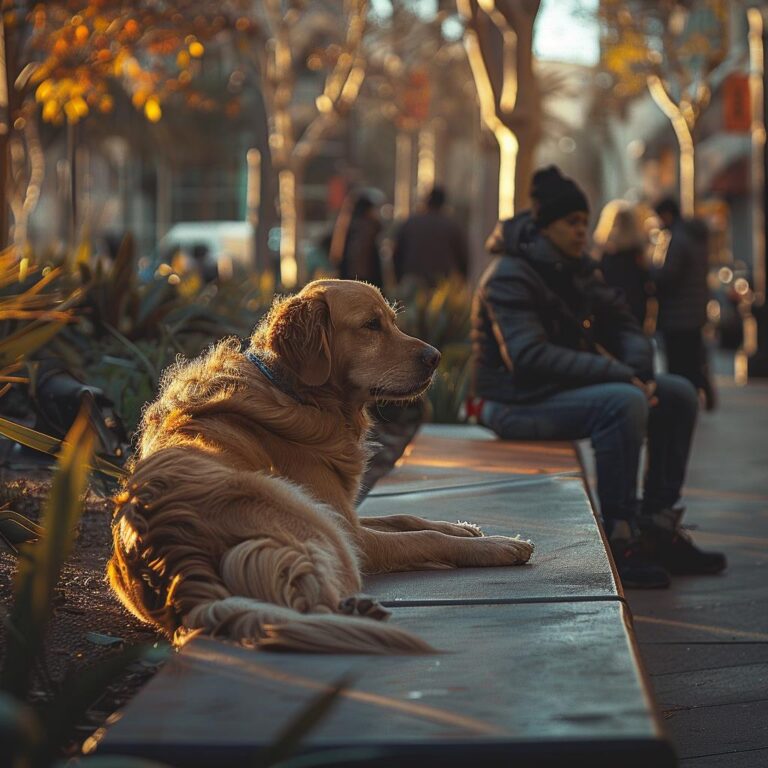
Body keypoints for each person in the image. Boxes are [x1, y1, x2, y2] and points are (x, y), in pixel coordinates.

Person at [470, 166, 726, 588]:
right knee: (622, 402)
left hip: (558, 392)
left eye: (585, 224)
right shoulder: (509, 275)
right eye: (572, 223)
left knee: (678, 393)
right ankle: (621, 536)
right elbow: (528, 357)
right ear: (546, 226)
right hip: (513, 403)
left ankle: (658, 529)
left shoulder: (579, 270)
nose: (581, 232)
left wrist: (639, 372)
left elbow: (625, 326)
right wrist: (625, 379)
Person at [652, 197, 716, 411]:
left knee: (680, 364)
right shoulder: (695, 238)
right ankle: (703, 392)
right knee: (693, 359)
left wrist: (650, 272)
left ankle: (683, 402)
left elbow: (669, 275)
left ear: (667, 214)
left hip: (677, 313)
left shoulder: (678, 239)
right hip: (694, 311)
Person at [392, 186, 469, 287]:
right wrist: (463, 279)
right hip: (442, 284)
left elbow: (397, 254)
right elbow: (463, 257)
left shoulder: (410, 223)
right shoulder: (452, 226)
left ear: (427, 201)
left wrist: (399, 279)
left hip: (413, 280)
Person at [599, 207, 650, 328]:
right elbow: (646, 279)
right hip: (636, 305)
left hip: (612, 306)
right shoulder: (637, 253)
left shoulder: (607, 252)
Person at [329, 192, 384, 288]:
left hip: (348, 275)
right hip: (367, 276)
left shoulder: (346, 223)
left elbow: (337, 252)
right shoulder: (369, 225)